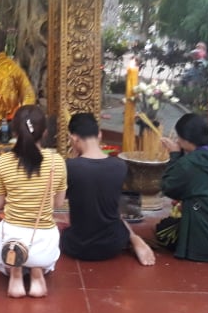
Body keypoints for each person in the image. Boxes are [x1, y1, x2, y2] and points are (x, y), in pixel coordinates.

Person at [0, 105, 67, 298]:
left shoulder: (4, 161)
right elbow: (58, 203)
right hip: (43, 241)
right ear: (46, 131)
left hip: (11, 240)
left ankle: (15, 274)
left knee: (8, 234)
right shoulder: (57, 161)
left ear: (15, 131)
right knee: (40, 250)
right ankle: (37, 273)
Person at [60, 113, 155, 265]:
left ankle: (135, 240)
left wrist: (73, 158)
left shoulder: (69, 167)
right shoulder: (119, 166)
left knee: (62, 232)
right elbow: (113, 211)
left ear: (73, 138)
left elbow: (60, 199)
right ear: (99, 135)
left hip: (77, 247)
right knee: (112, 214)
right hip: (113, 245)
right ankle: (135, 239)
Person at [160, 113, 208, 262]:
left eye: (179, 137)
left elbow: (168, 186)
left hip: (201, 244)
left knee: (163, 231)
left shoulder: (190, 163)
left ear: (185, 138)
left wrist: (175, 155)